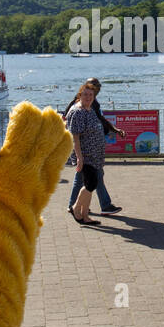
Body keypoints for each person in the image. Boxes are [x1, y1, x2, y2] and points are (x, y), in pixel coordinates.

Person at [64, 78, 125, 215]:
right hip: (87, 154)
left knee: (82, 178)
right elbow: (73, 129)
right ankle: (104, 205)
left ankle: (73, 205)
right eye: (95, 86)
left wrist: (115, 130)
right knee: (95, 178)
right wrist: (79, 157)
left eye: (98, 87)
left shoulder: (92, 104)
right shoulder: (78, 106)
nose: (97, 89)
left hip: (93, 153)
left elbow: (101, 120)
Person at [64, 80, 107, 225]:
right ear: (80, 95)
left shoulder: (89, 109)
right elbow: (75, 137)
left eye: (91, 95)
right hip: (85, 156)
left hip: (95, 155)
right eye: (85, 95)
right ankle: (76, 208)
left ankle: (85, 215)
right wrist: (79, 158)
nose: (88, 97)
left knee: (91, 185)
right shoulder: (78, 112)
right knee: (90, 184)